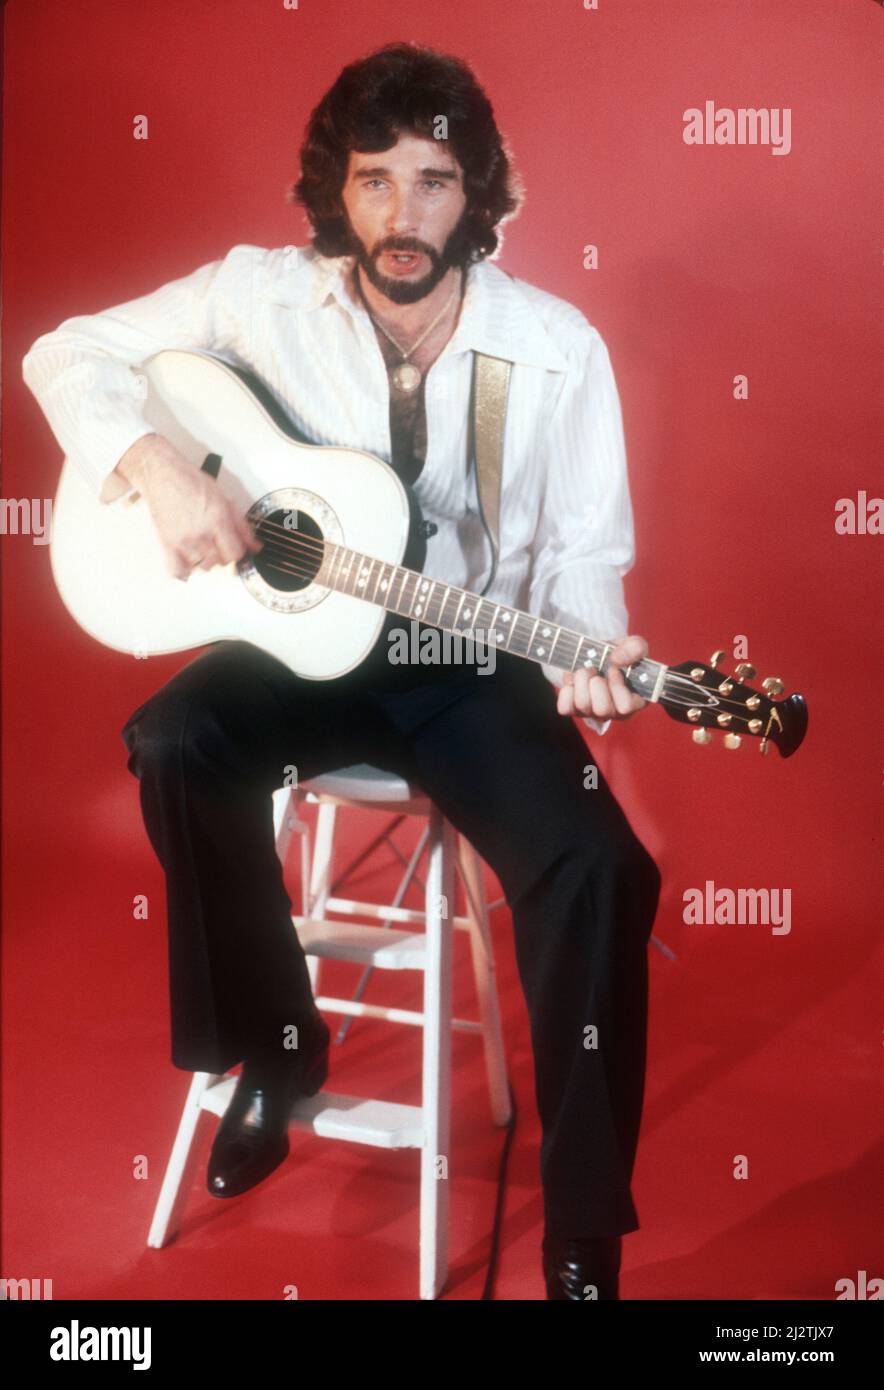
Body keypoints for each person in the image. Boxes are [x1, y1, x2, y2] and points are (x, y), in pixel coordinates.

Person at [22, 41, 661, 1300]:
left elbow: (585, 556)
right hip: (299, 651)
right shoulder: (257, 294)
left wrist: (588, 656)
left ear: (475, 190)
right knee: (172, 741)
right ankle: (275, 1045)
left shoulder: (557, 345)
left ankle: (583, 1227)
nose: (401, 214)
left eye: (432, 181)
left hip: (463, 658)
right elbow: (64, 351)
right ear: (337, 187)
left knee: (599, 864)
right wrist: (156, 468)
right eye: (373, 180)